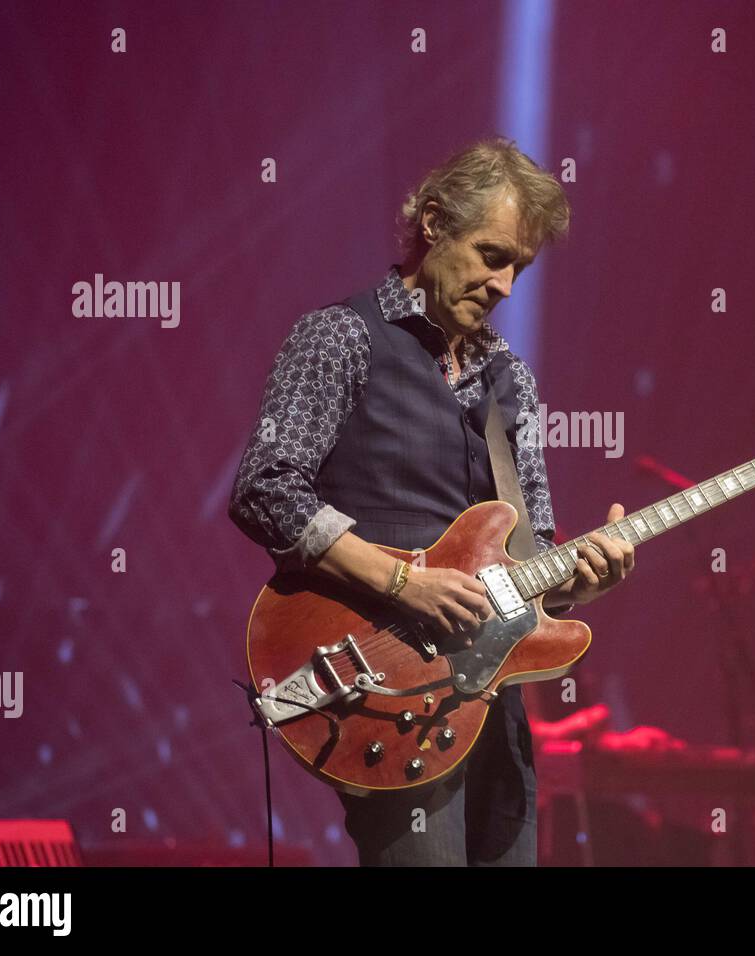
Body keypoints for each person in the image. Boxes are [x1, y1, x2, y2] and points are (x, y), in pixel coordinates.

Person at [227, 137, 635, 866]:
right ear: (435, 223)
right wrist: (404, 583)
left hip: (493, 699)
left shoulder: (512, 378)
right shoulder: (340, 337)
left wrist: (576, 582)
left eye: (521, 268)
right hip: (384, 688)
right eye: (492, 255)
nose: (506, 284)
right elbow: (265, 487)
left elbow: (531, 550)